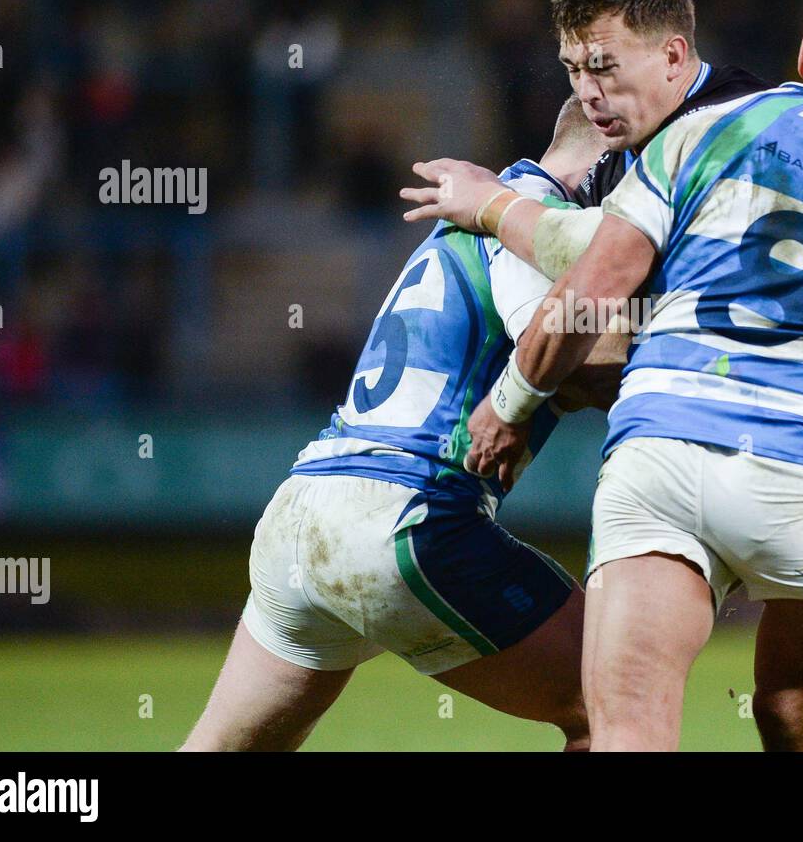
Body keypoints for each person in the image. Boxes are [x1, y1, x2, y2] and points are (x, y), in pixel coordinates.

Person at [402, 0, 803, 750]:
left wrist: (497, 209)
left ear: (672, 56)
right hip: (748, 434)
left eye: (604, 67)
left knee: (774, 705)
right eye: (572, 70)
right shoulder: (621, 146)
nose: (588, 92)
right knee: (773, 712)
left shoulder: (732, 120)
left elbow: (605, 275)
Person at [181, 100, 611, 751]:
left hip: (306, 509)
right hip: (402, 516)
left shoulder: (481, 215)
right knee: (617, 698)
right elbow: (566, 358)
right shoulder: (541, 223)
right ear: (617, 158)